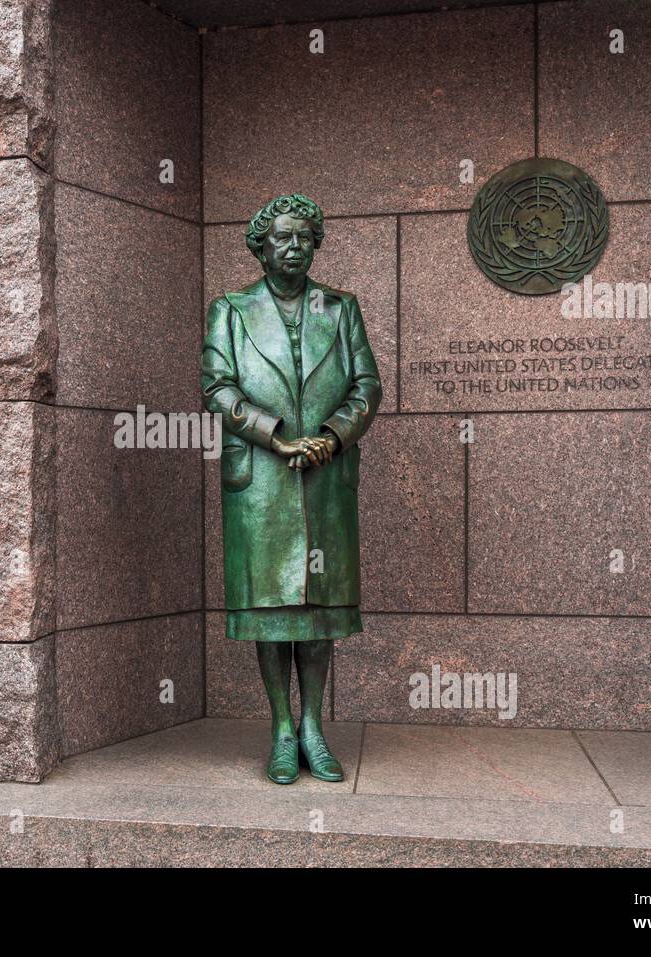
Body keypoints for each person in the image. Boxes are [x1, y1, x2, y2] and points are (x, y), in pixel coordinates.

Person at [201, 193, 382, 784]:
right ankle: (281, 727)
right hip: (261, 480)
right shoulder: (230, 309)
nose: (294, 246)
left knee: (317, 611)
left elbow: (366, 385)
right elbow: (218, 388)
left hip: (326, 476)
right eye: (282, 237)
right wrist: (275, 437)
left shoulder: (342, 308)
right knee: (273, 610)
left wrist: (332, 436)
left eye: (304, 236)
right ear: (260, 246)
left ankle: (312, 725)